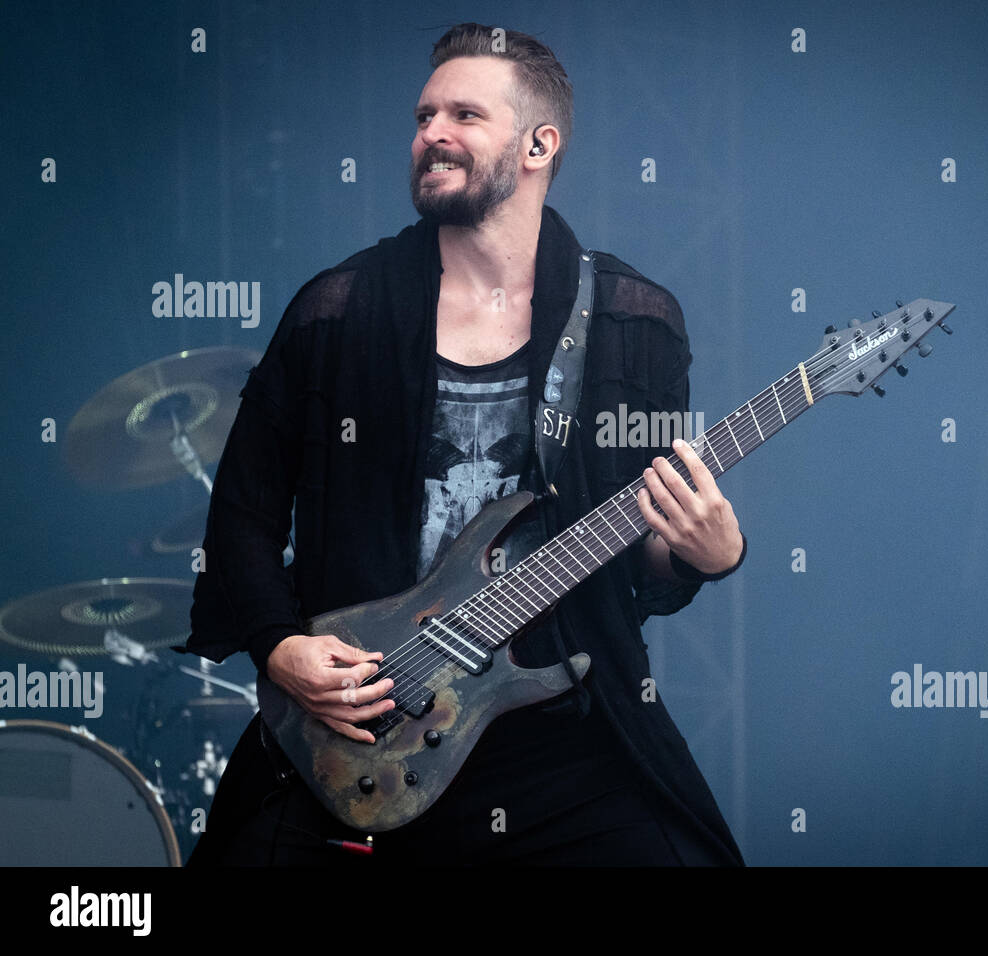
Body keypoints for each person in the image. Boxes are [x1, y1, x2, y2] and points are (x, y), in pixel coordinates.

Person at [185, 22, 746, 866]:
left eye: (463, 115)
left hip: (560, 740)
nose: (431, 135)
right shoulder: (336, 312)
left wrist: (702, 555)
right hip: (369, 727)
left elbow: (637, 559)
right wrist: (278, 644)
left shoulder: (635, 322)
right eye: (423, 116)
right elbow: (242, 512)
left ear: (538, 143)